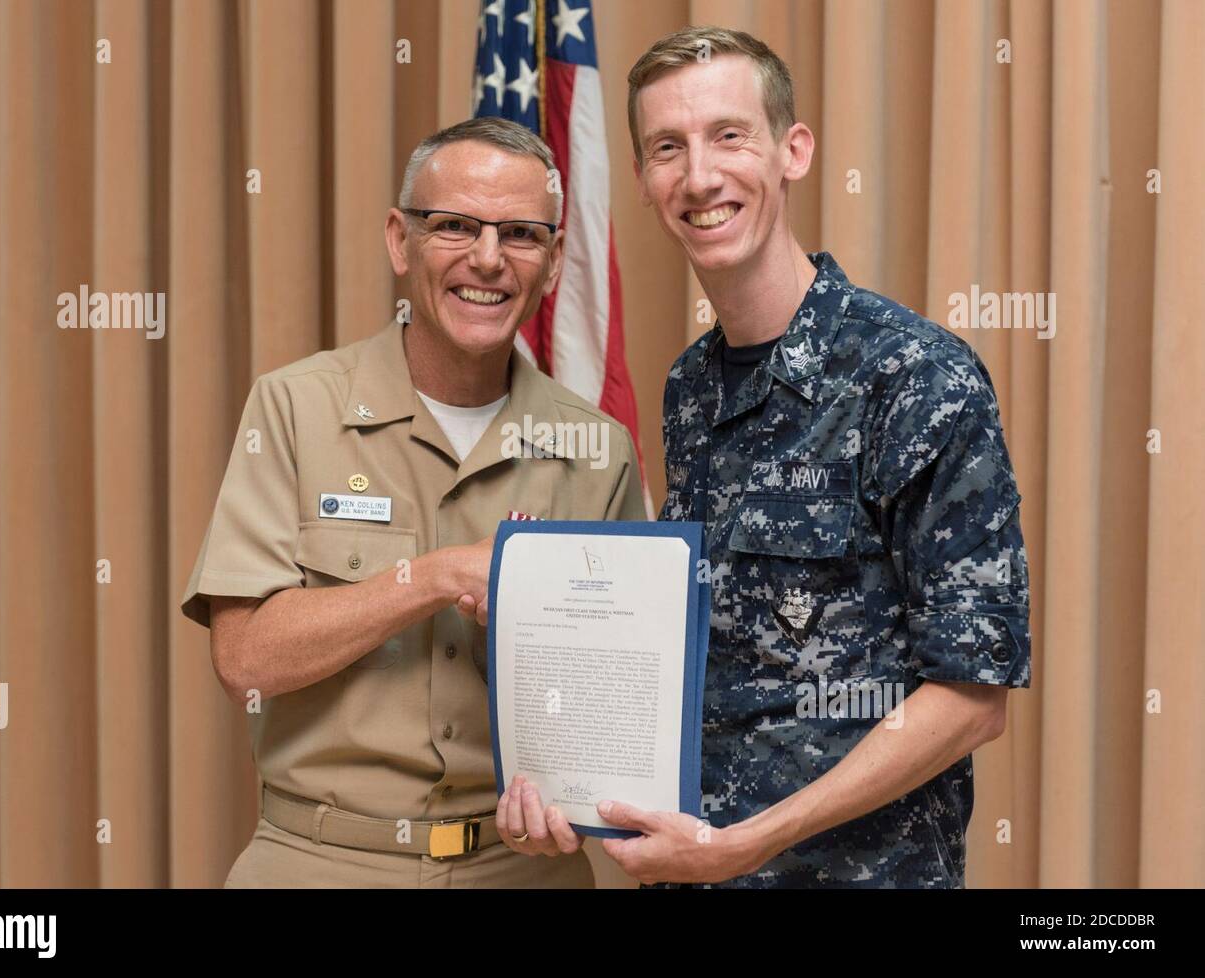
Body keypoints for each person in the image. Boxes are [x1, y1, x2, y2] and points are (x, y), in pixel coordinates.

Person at [498, 26, 1030, 888]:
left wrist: (750, 842)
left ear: (795, 150)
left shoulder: (915, 376)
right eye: (668, 147)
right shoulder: (690, 392)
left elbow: (973, 699)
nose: (700, 176)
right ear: (640, 179)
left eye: (728, 135)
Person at [180, 116, 647, 887]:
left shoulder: (599, 452)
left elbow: (625, 702)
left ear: (556, 260)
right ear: (400, 240)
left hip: (523, 868)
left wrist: (576, 797)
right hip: (319, 860)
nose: (489, 260)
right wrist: (435, 578)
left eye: (522, 234)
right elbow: (244, 659)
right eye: (455, 226)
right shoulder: (294, 409)